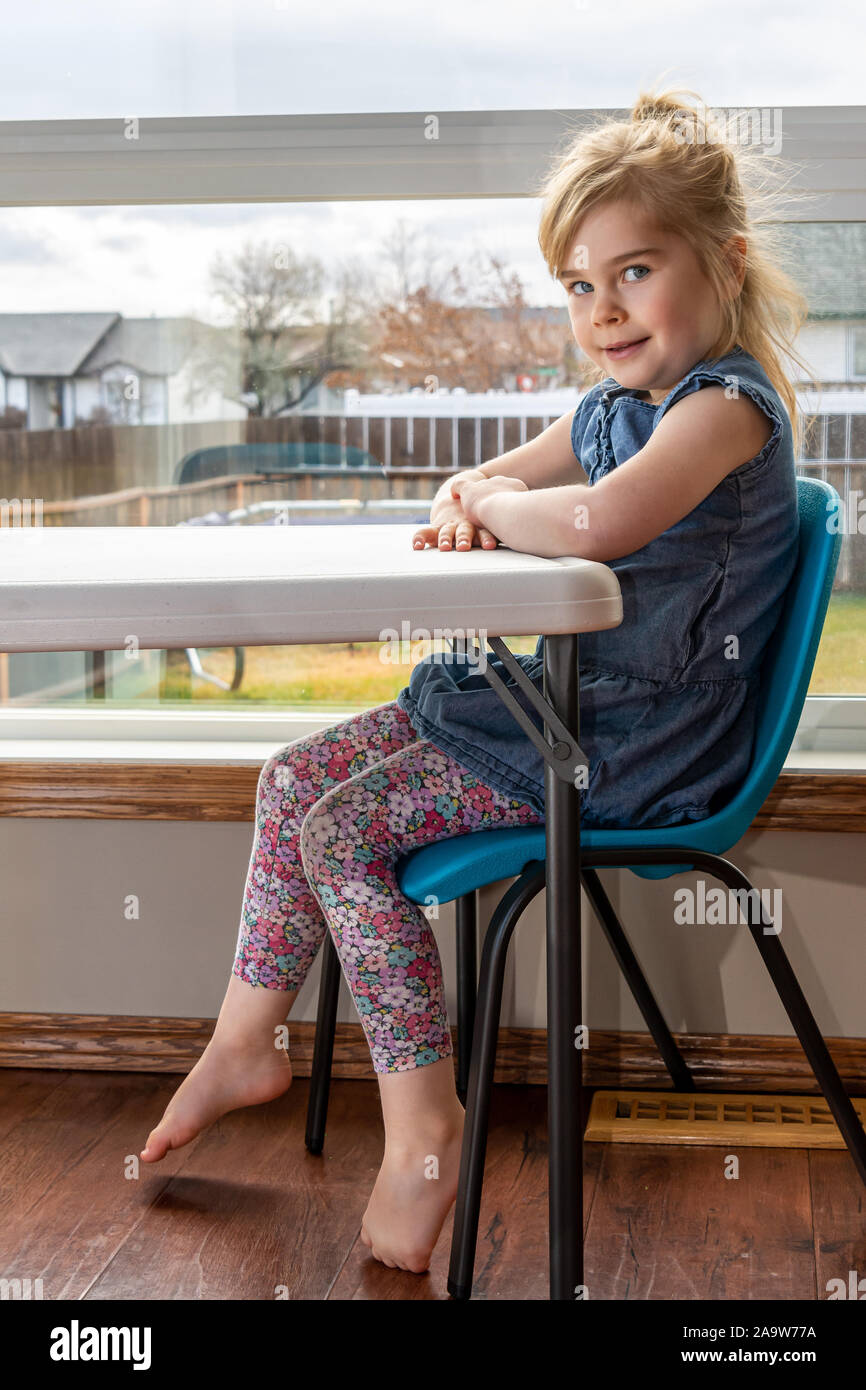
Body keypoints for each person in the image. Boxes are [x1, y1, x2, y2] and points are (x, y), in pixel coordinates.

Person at [139, 82, 814, 1278]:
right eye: (576, 284)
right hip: (558, 716)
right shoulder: (616, 403)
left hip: (637, 747)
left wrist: (502, 506)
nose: (601, 310)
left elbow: (601, 520)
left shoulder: (723, 412)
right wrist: (474, 495)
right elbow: (501, 476)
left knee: (345, 833)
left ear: (723, 261)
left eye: (634, 272)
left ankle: (423, 1133)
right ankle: (245, 1038)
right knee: (293, 775)